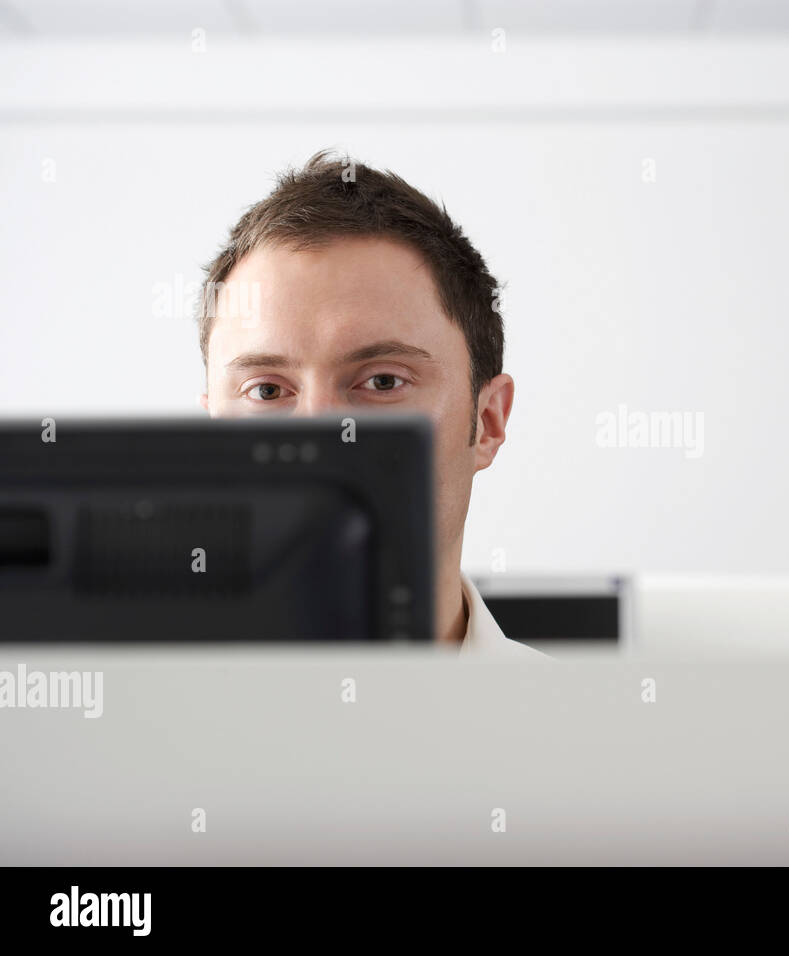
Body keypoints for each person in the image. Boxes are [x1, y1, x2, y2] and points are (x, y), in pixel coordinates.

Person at [198, 149, 544, 658]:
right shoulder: (98, 729)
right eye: (267, 391)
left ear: (487, 422)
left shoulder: (603, 734)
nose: (320, 436)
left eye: (383, 382)